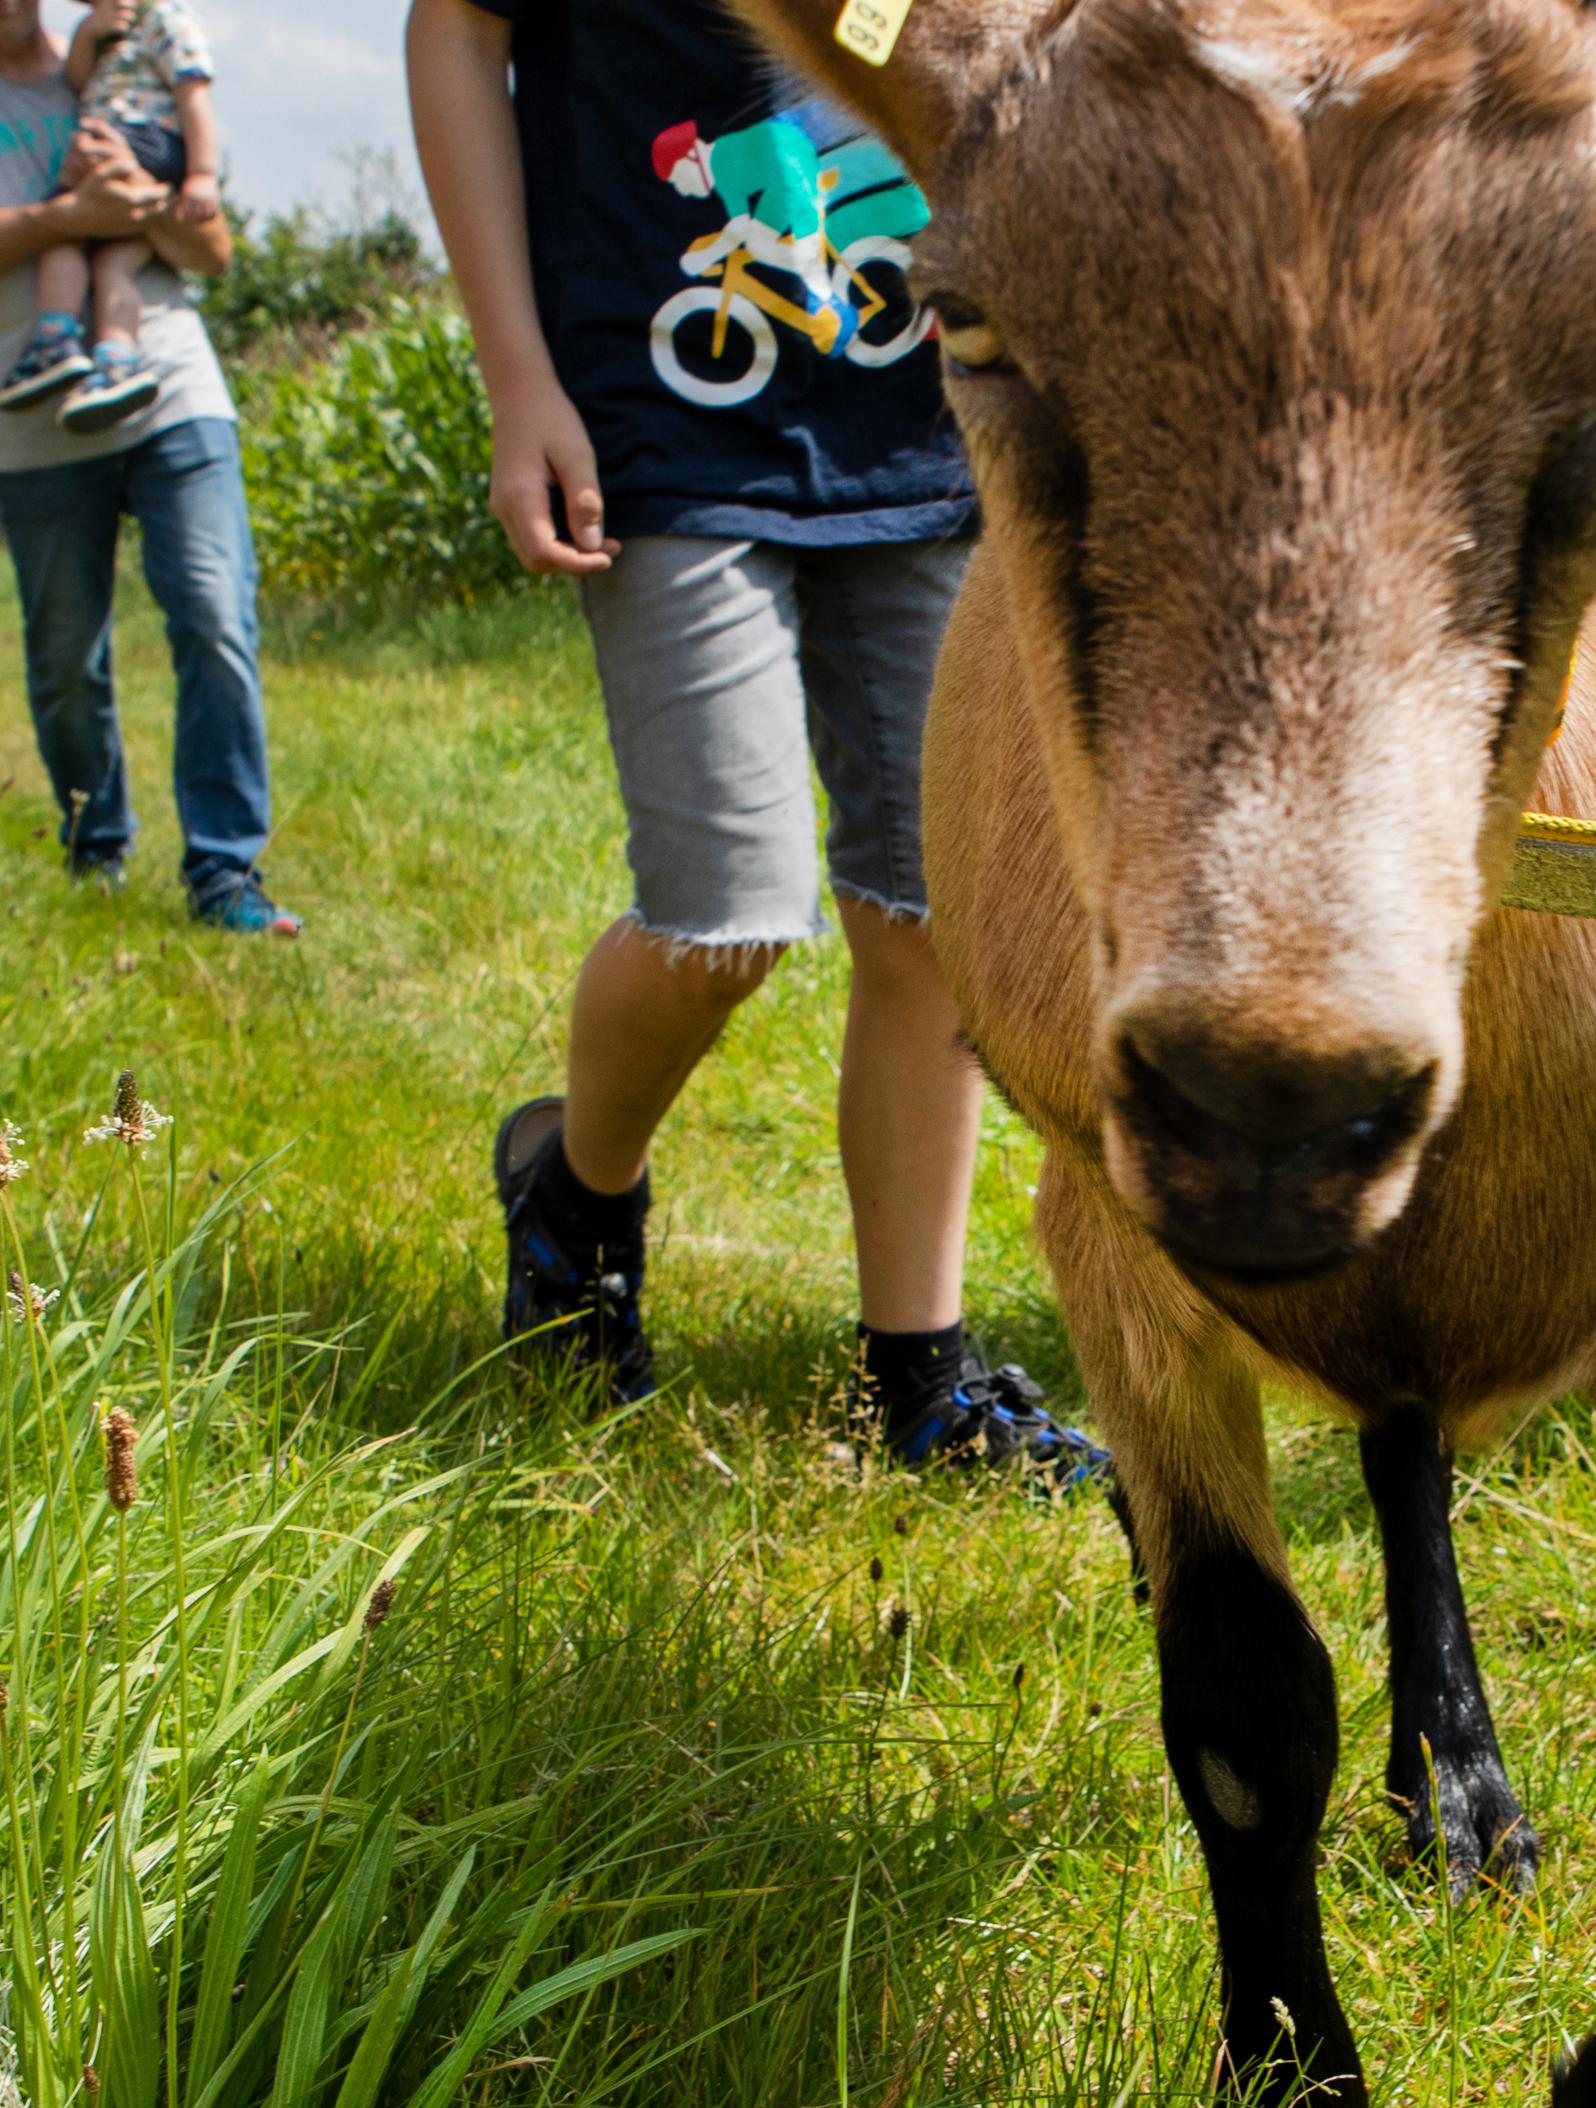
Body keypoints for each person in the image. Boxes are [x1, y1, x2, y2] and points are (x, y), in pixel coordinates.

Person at [405, 0, 1105, 1478]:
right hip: (651, 425)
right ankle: (573, 1189)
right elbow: (456, 34)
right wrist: (515, 380)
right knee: (729, 914)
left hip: (926, 418)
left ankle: (917, 1378)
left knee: (932, 917)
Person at [0, 0, 303, 934]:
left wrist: (142, 206)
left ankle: (226, 873)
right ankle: (95, 848)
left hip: (170, 382)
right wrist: (70, 215)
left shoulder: (120, 51)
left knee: (216, 612)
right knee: (67, 654)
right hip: (32, 405)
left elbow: (212, 248)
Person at [0, 0, 230, 433]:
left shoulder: (168, 17)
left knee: (63, 229)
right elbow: (77, 82)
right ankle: (117, 360)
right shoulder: (106, 29)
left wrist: (202, 175)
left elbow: (194, 95)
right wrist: (88, 33)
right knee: (112, 264)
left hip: (143, 139)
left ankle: (54, 340)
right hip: (122, 138)